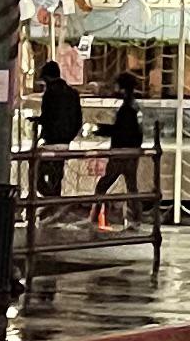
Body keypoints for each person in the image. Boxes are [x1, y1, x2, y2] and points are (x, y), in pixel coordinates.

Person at [95, 83, 145, 228]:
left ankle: (95, 215)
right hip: (132, 152)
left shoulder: (126, 110)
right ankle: (135, 218)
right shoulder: (135, 108)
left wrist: (102, 130)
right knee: (131, 186)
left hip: (120, 152)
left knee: (103, 185)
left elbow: (121, 131)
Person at [35, 56, 83, 207]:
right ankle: (54, 204)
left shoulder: (50, 93)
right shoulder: (72, 93)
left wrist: (39, 122)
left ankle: (52, 202)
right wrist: (70, 135)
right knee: (56, 176)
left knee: (37, 175)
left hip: (51, 141)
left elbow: (48, 116)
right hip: (65, 141)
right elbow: (78, 119)